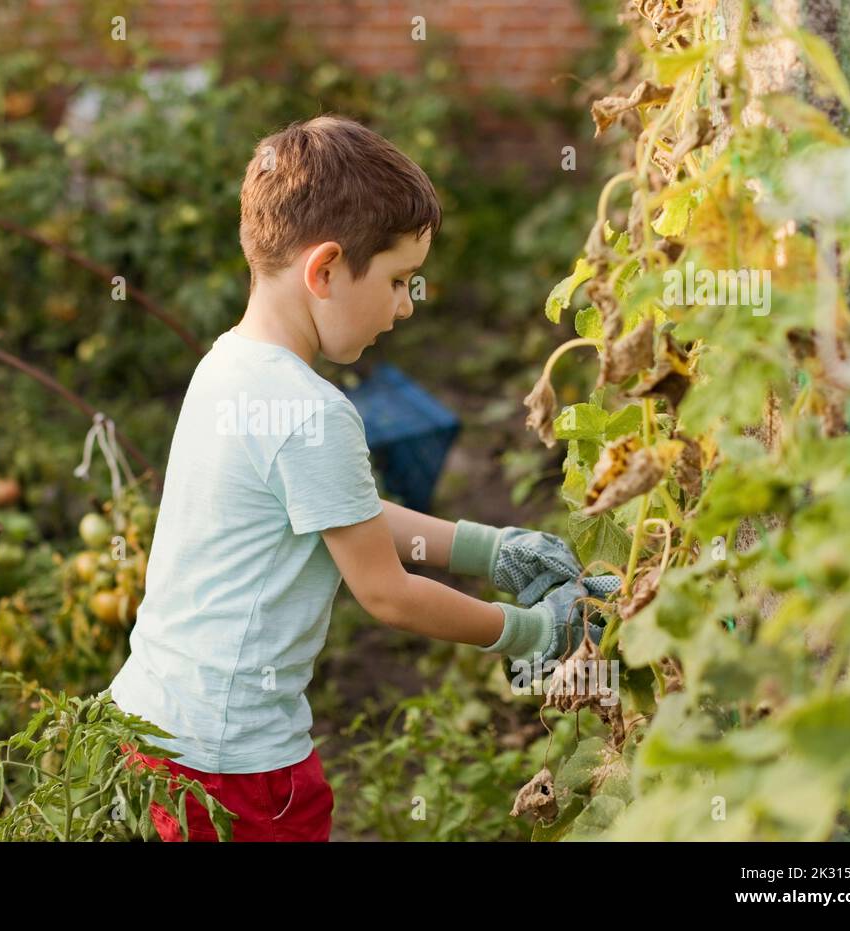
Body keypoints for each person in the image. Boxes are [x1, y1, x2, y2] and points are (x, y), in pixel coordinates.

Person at [106, 115, 609, 842]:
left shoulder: (227, 366)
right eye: (400, 280)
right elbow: (384, 590)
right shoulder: (312, 411)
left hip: (152, 725)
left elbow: (344, 515)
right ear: (325, 270)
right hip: (234, 769)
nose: (406, 305)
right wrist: (530, 630)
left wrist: (487, 550)